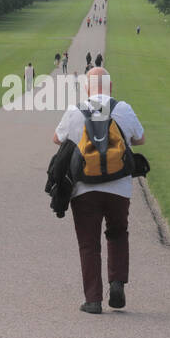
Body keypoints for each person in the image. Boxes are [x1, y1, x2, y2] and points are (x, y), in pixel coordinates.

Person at [53, 68, 145, 313]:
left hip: (84, 188)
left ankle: (93, 299)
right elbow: (140, 139)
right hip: (119, 187)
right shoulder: (122, 108)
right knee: (118, 233)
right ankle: (116, 283)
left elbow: (57, 139)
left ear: (87, 87)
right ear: (110, 86)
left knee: (88, 244)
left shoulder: (76, 111)